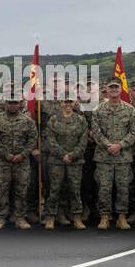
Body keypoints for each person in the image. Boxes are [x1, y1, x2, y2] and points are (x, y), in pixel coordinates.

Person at [92, 79, 135, 230]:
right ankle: (105, 216)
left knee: (123, 188)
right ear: (106, 88)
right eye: (110, 87)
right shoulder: (98, 110)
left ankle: (122, 217)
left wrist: (120, 145)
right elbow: (96, 133)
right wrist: (108, 145)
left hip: (123, 157)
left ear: (120, 89)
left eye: (116, 87)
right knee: (104, 188)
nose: (113, 90)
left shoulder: (130, 109)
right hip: (104, 156)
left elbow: (133, 132)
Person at [0, 95, 38, 229]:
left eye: (15, 103)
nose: (13, 105)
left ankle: (20, 217)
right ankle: (0, 217)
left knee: (21, 190)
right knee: (1, 189)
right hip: (2, 161)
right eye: (10, 103)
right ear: (5, 104)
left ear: (20, 104)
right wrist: (6, 154)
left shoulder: (28, 121)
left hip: (22, 161)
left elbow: (32, 139)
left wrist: (22, 154)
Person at [44, 91, 88, 229]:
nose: (67, 104)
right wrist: (63, 154)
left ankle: (77, 217)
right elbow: (50, 140)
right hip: (57, 161)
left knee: (75, 190)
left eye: (70, 101)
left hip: (75, 161)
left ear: (75, 103)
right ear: (60, 103)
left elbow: (83, 141)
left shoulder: (81, 120)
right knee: (54, 189)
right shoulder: (53, 120)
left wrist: (72, 155)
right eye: (65, 101)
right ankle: (50, 217)